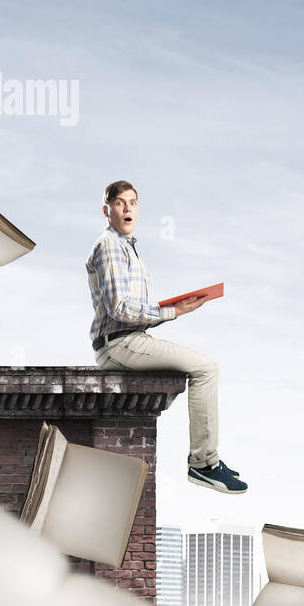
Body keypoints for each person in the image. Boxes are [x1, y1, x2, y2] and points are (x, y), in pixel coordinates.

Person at [86, 180, 246, 494]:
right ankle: (203, 464)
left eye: (133, 202)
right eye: (120, 203)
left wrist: (176, 307)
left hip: (129, 339)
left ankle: (206, 461)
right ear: (106, 211)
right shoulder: (110, 245)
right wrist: (175, 312)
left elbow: (135, 312)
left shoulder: (128, 248)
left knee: (205, 366)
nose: (128, 208)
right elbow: (121, 309)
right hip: (119, 343)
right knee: (205, 368)